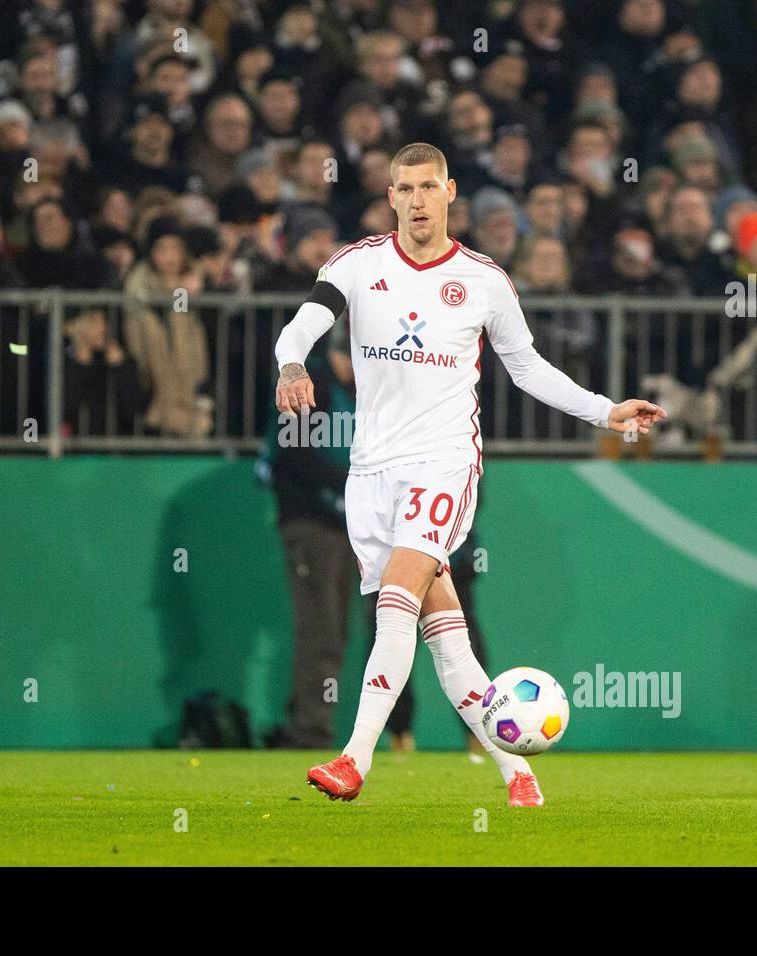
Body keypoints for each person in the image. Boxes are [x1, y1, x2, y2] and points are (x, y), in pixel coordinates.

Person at [273, 142, 665, 806]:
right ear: (390, 197)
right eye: (405, 189)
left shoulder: (484, 280)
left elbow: (529, 368)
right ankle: (520, 775)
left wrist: (605, 411)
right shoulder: (357, 265)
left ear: (451, 192)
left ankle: (353, 760)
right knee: (444, 635)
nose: (417, 200)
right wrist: (292, 365)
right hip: (371, 474)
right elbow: (299, 327)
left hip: (445, 463)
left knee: (394, 602)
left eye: (429, 187)